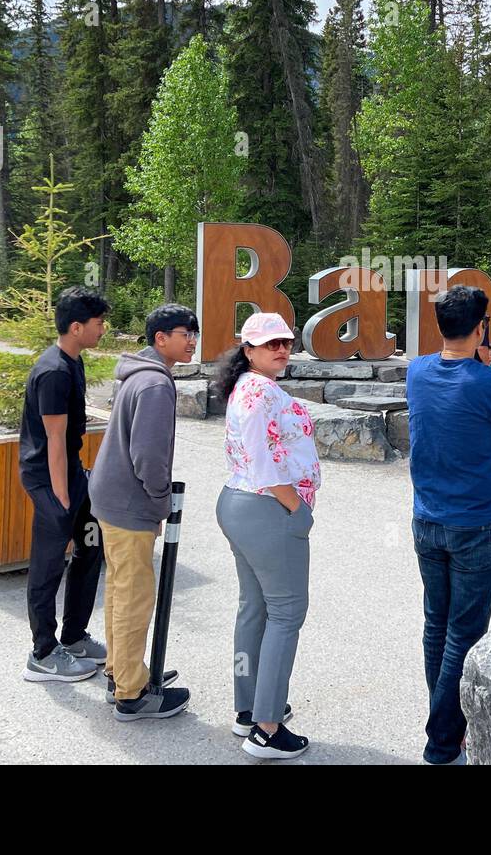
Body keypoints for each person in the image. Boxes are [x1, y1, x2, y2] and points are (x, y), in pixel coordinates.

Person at [405, 286, 491, 765]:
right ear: (481, 328)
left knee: (436, 625)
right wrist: (488, 439)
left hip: (427, 519)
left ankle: (446, 728)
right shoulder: (490, 381)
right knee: (463, 634)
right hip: (477, 522)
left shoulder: (417, 372)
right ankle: (442, 741)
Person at [213, 312, 319, 760]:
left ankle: (250, 707)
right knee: (286, 613)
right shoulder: (259, 391)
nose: (281, 349)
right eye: (270, 343)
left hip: (243, 504)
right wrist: (296, 507)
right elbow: (262, 461)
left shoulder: (249, 386)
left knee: (254, 608)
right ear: (248, 349)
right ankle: (268, 728)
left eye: (286, 342)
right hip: (267, 507)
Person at [90, 304, 198, 721]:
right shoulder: (154, 384)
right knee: (134, 596)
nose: (192, 342)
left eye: (194, 334)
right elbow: (149, 456)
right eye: (185, 334)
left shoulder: (137, 374)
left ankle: (121, 671)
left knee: (121, 589)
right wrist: (160, 499)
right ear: (160, 338)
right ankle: (132, 694)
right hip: (130, 503)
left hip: (111, 497)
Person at [20, 286, 110, 682]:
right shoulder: (54, 371)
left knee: (91, 545)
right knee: (48, 564)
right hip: (48, 479)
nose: (103, 329)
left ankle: (73, 637)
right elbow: (54, 439)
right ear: (76, 327)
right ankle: (42, 652)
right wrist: (62, 498)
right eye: (98, 322)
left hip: (71, 472)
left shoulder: (74, 360)